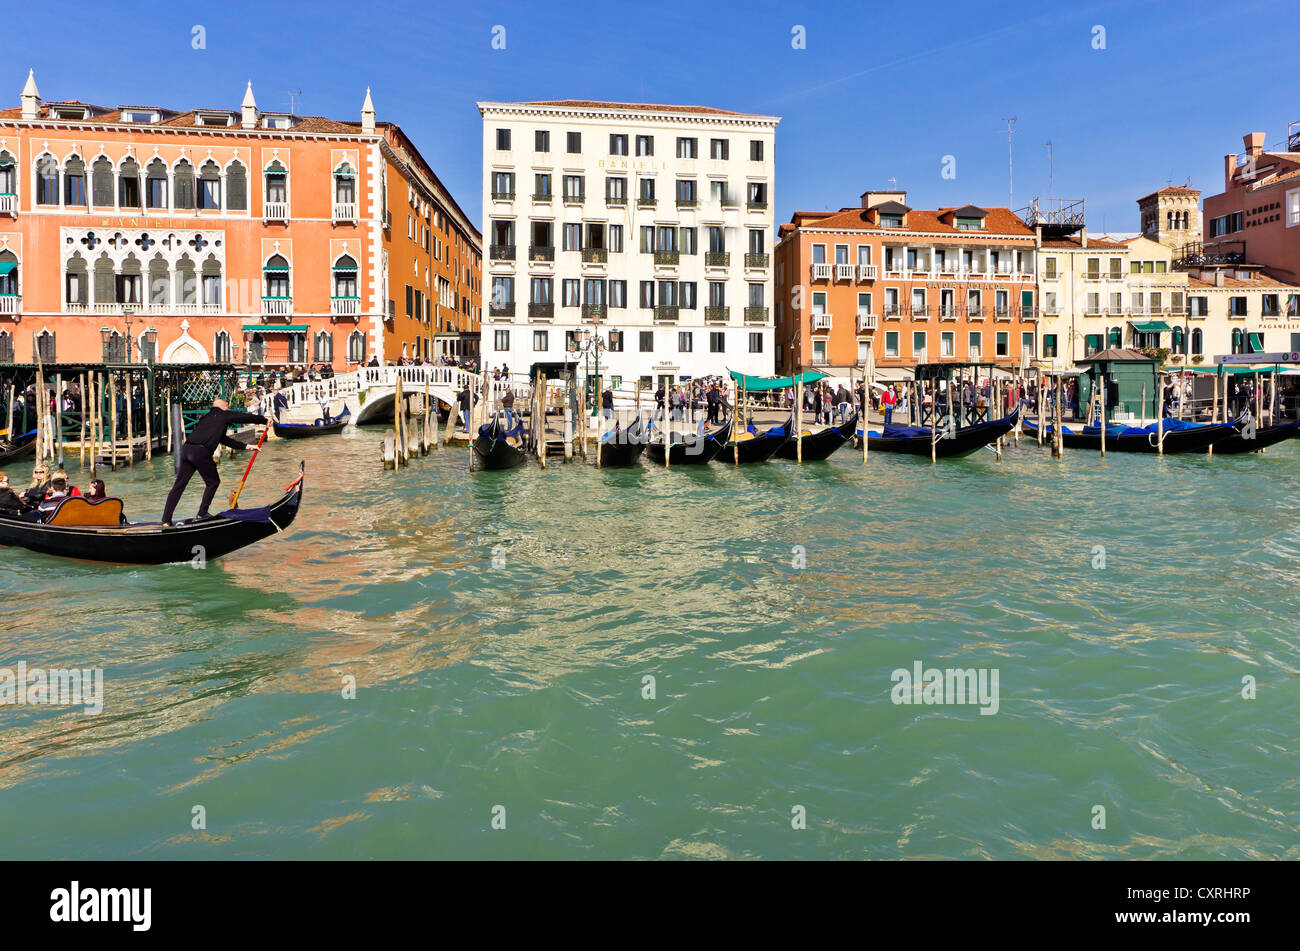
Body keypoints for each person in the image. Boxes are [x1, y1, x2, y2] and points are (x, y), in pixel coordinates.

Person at [161, 398, 266, 526]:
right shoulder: (224, 414)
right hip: (200, 451)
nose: (228, 408)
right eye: (227, 406)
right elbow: (244, 417)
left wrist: (246, 446)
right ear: (224, 406)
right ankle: (202, 514)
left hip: (186, 449)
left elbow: (224, 440)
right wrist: (265, 420)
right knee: (213, 482)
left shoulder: (205, 418)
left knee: (179, 486)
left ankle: (166, 520)